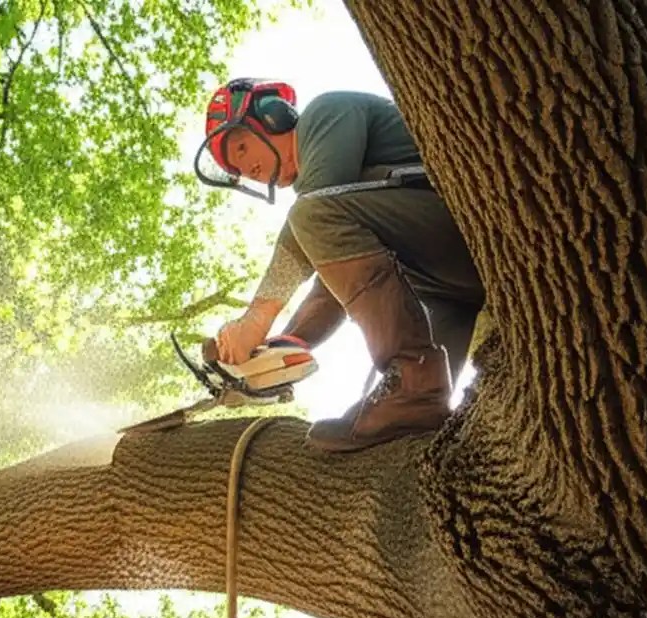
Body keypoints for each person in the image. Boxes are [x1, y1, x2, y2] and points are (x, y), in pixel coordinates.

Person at [193, 78, 485, 452]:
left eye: (242, 146)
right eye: (240, 169)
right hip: (452, 289)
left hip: (469, 222)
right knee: (395, 422)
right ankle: (416, 401)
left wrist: (255, 319)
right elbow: (338, 280)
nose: (249, 168)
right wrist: (284, 351)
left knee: (310, 214)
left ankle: (414, 379)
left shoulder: (325, 114)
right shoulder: (335, 216)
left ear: (273, 116)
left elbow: (314, 219)